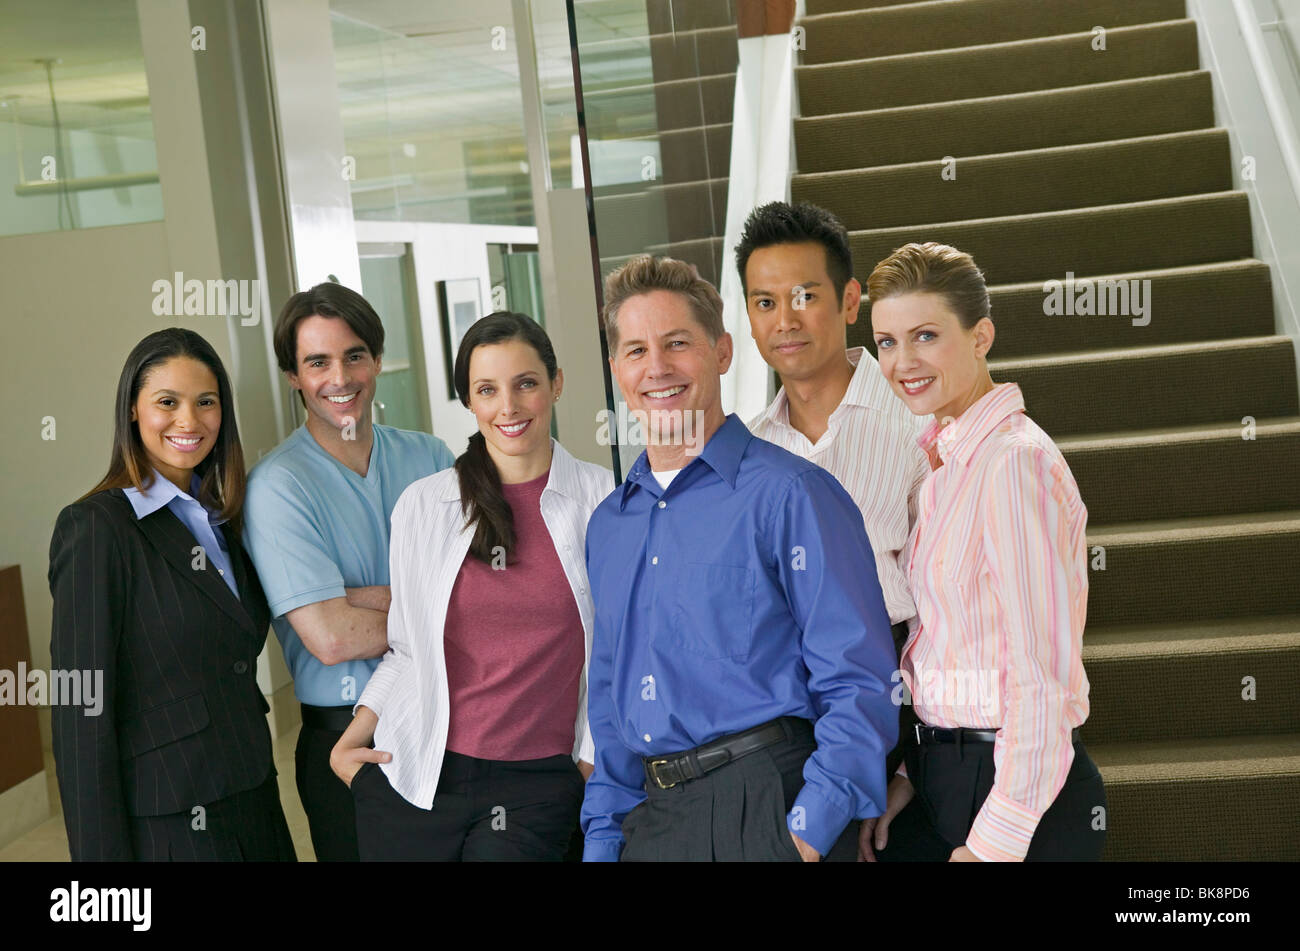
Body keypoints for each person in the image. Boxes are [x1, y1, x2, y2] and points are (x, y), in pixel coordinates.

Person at [581, 255, 898, 862]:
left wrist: (804, 835)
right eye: (635, 351)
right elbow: (609, 702)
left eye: (678, 343)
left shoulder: (792, 494)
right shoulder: (610, 525)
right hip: (651, 821)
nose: (657, 368)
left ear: (722, 352)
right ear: (618, 369)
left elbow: (859, 679)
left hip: (767, 804)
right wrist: (602, 842)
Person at [329, 311, 613, 861]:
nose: (508, 407)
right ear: (470, 401)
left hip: (538, 783)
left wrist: (589, 764)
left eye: (526, 383)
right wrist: (352, 741)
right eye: (487, 389)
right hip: (416, 775)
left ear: (556, 383)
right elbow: (407, 647)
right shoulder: (424, 505)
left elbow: (618, 655)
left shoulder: (602, 501)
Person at [863, 241, 1106, 862]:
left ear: (981, 336)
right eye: (887, 342)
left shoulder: (1012, 464)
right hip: (949, 777)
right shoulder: (944, 466)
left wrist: (995, 844)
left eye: (925, 335)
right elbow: (955, 639)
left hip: (1018, 798)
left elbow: (1041, 676)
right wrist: (914, 776)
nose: (902, 361)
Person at [49, 328, 295, 861]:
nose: (190, 421)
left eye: (206, 402)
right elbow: (79, 710)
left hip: (253, 799)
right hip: (169, 823)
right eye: (168, 402)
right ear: (133, 411)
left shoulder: (220, 517)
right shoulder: (96, 528)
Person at [242, 282, 455, 862]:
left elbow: (478, 587)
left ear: (377, 359)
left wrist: (355, 596)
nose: (341, 377)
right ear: (294, 375)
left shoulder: (430, 458)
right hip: (346, 744)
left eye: (355, 354)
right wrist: (427, 600)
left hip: (452, 722)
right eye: (318, 362)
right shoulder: (277, 487)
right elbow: (332, 639)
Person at [738, 200, 929, 779]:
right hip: (783, 717)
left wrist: (912, 766)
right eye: (764, 303)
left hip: (901, 700)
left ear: (849, 301)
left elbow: (952, 602)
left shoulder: (918, 424)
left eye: (805, 297)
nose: (784, 321)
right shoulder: (745, 455)